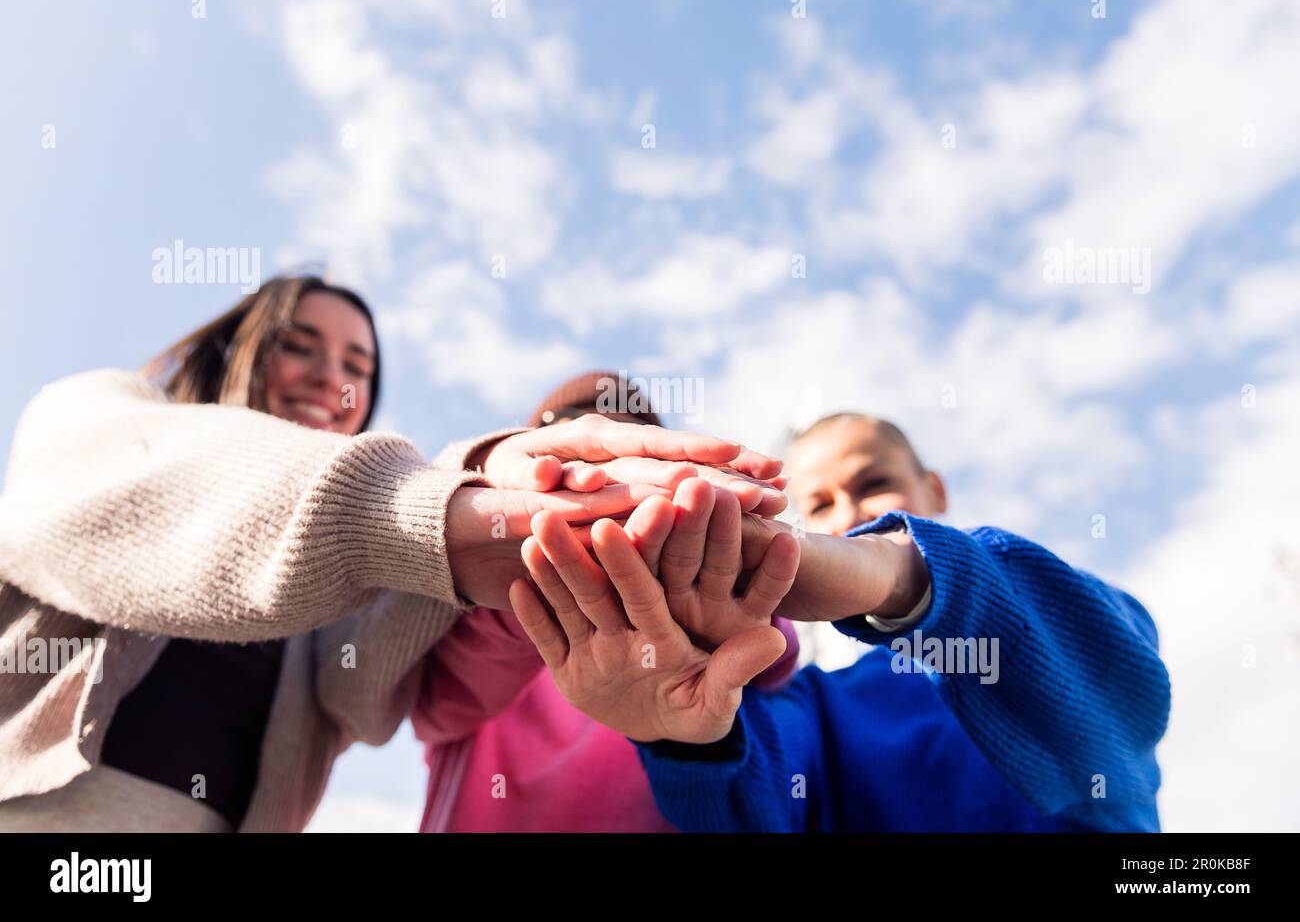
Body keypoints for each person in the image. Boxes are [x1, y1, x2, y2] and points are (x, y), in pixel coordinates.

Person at [0, 277, 781, 832]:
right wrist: (446, 505)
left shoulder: (351, 576)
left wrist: (529, 532)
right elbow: (161, 478)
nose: (329, 379)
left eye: (357, 368)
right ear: (237, 348)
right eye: (296, 346)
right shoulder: (99, 412)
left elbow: (366, 700)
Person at [509, 412, 1172, 832]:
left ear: (933, 493)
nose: (850, 511)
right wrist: (681, 736)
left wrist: (888, 569)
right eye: (821, 502)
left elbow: (1112, 699)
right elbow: (748, 811)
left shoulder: (1064, 610)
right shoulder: (810, 706)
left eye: (874, 482)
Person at [412, 372, 798, 832]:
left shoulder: (691, 618)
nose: (599, 474)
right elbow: (444, 697)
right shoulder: (468, 618)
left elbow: (775, 662)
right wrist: (543, 571)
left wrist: (732, 584)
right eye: (569, 436)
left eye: (630, 443)